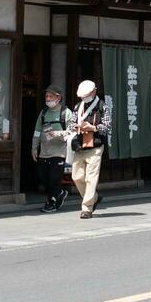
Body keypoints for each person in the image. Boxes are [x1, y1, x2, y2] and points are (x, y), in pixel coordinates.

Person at [71, 79, 111, 219]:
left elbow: (107, 127)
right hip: (80, 145)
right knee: (76, 176)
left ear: (94, 92)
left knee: (91, 177)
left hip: (95, 145)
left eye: (86, 94)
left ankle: (87, 208)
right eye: (82, 95)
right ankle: (94, 197)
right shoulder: (78, 106)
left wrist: (93, 128)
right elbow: (71, 124)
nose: (84, 98)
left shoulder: (102, 106)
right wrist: (76, 127)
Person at [31, 84, 73, 213]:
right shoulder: (43, 113)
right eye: (46, 96)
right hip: (44, 152)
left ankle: (51, 202)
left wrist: (59, 134)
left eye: (50, 96)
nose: (48, 99)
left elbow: (72, 131)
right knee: (44, 178)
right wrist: (34, 148)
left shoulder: (66, 113)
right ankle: (59, 192)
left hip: (59, 152)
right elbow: (37, 131)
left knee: (54, 178)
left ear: (58, 98)